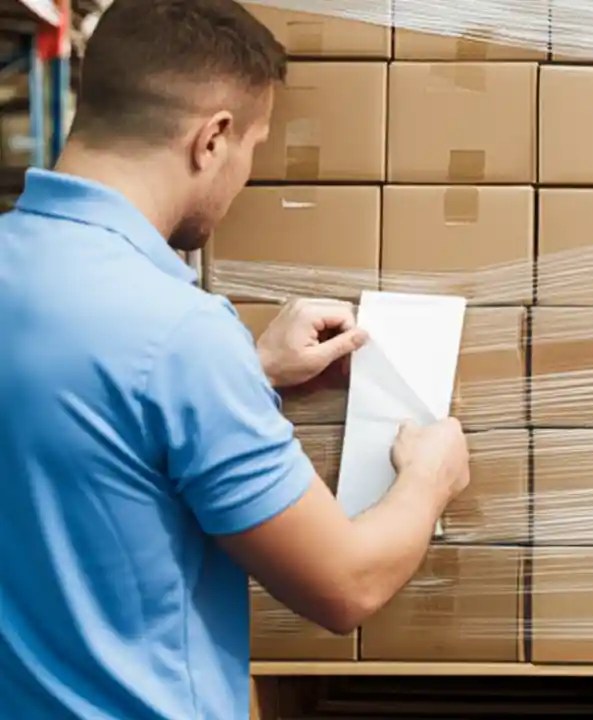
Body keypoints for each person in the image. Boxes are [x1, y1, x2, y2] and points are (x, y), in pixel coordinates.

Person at [0, 1, 471, 717]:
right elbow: (345, 585)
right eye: (256, 145)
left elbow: (74, 432)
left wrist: (246, 372)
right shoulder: (178, 333)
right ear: (212, 138)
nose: (247, 172)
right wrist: (429, 480)